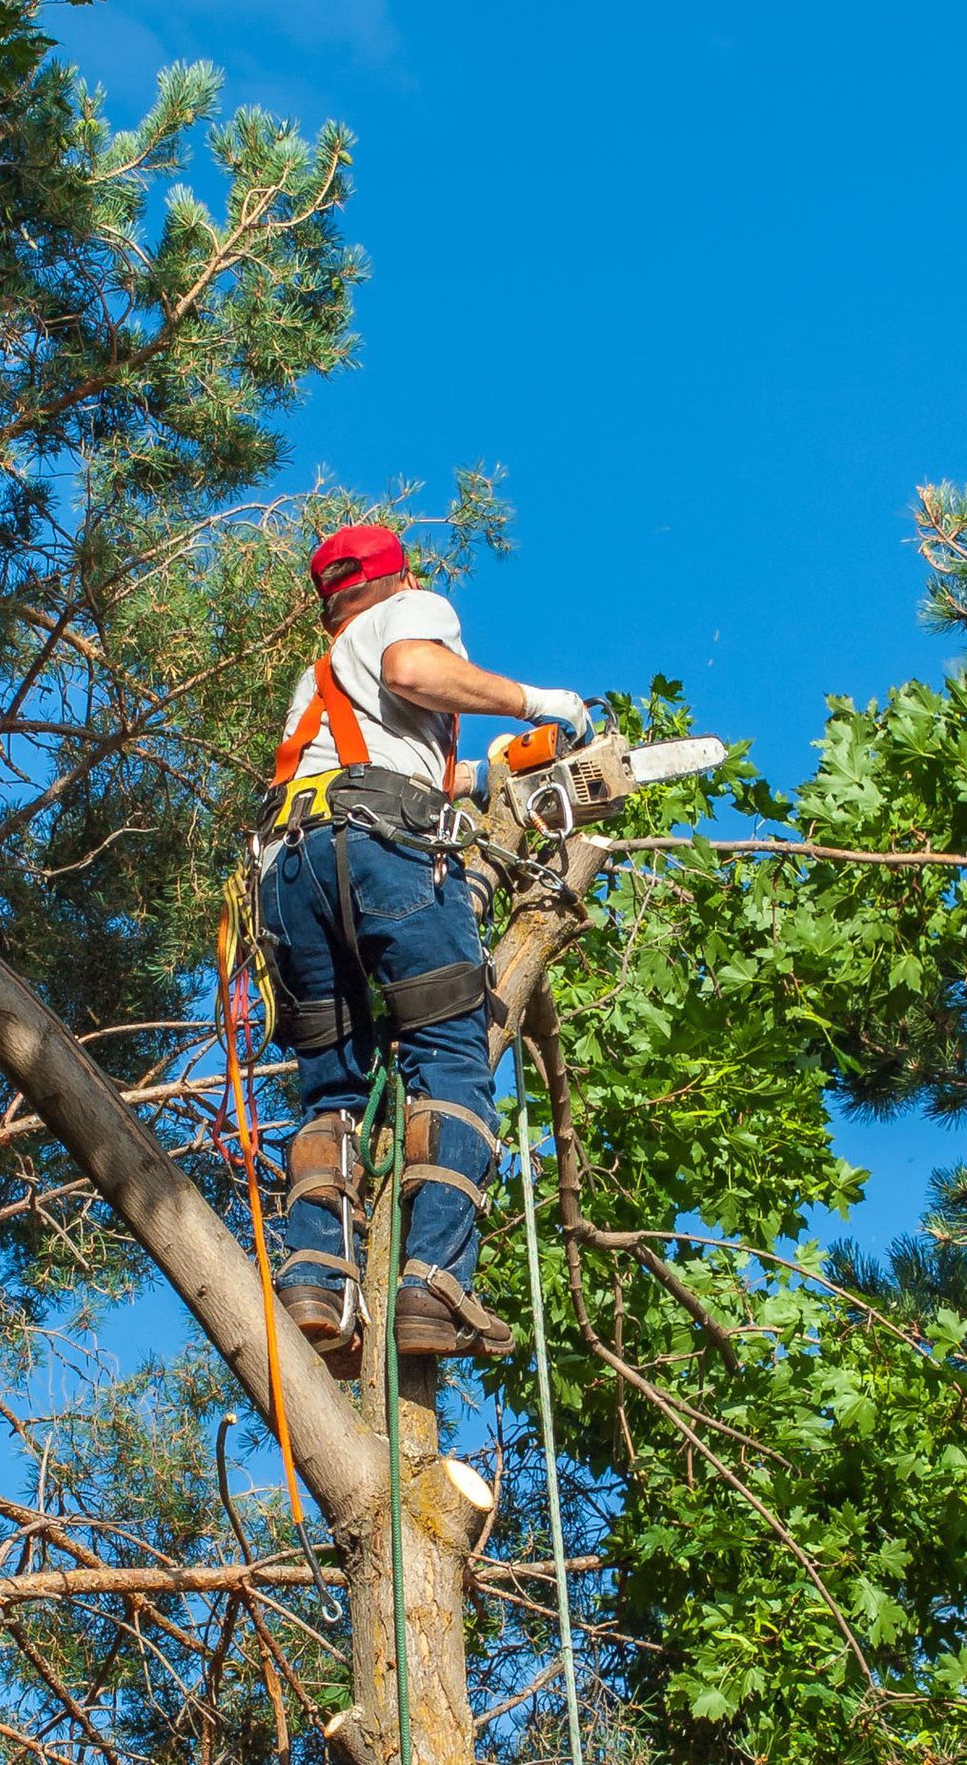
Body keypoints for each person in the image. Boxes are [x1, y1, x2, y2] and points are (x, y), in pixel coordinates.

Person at [256, 522, 590, 1374]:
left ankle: (317, 1284)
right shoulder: (408, 614)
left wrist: (499, 771)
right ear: (397, 581)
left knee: (332, 1088)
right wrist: (535, 701)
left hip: (290, 871)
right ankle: (430, 1286)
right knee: (450, 1058)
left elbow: (380, 755)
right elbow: (415, 672)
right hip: (385, 851)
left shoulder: (322, 673)